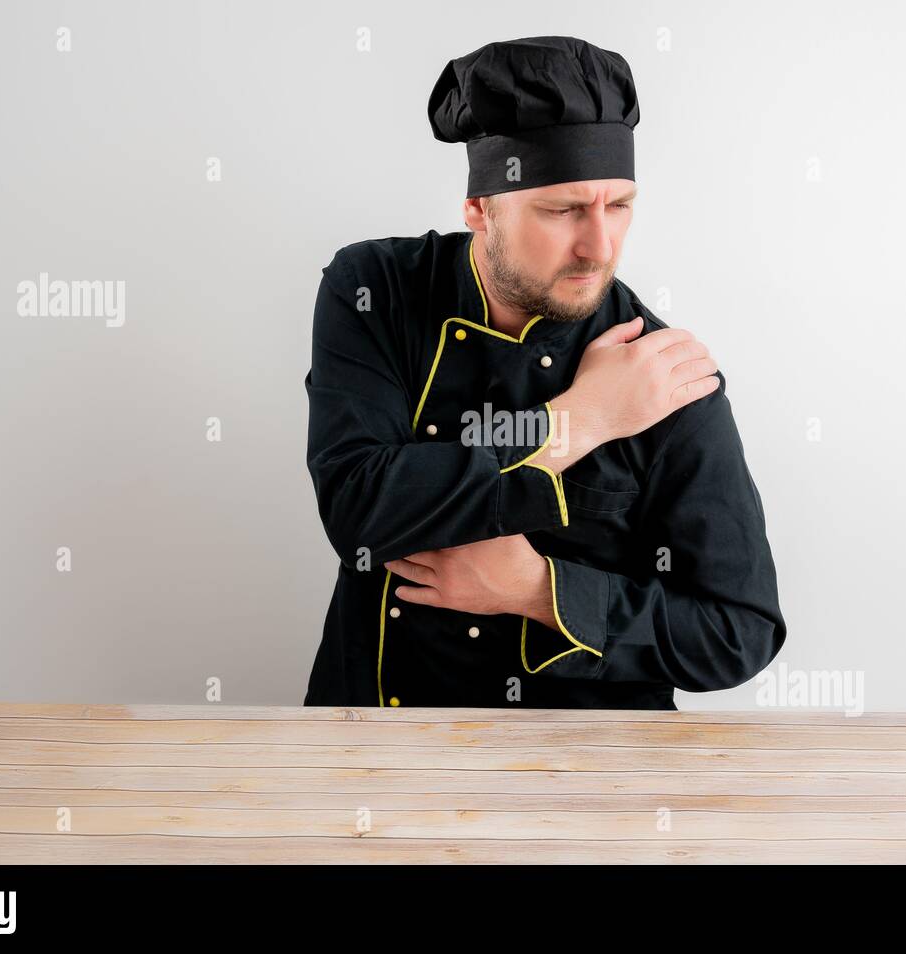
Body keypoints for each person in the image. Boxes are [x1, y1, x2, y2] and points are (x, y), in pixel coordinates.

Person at [303, 36, 786, 710]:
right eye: (562, 211)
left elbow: (740, 632)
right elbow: (358, 508)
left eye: (618, 206)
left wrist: (539, 590)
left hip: (583, 780)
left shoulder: (663, 375)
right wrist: (578, 420)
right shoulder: (375, 290)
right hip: (373, 753)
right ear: (479, 209)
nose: (600, 246)